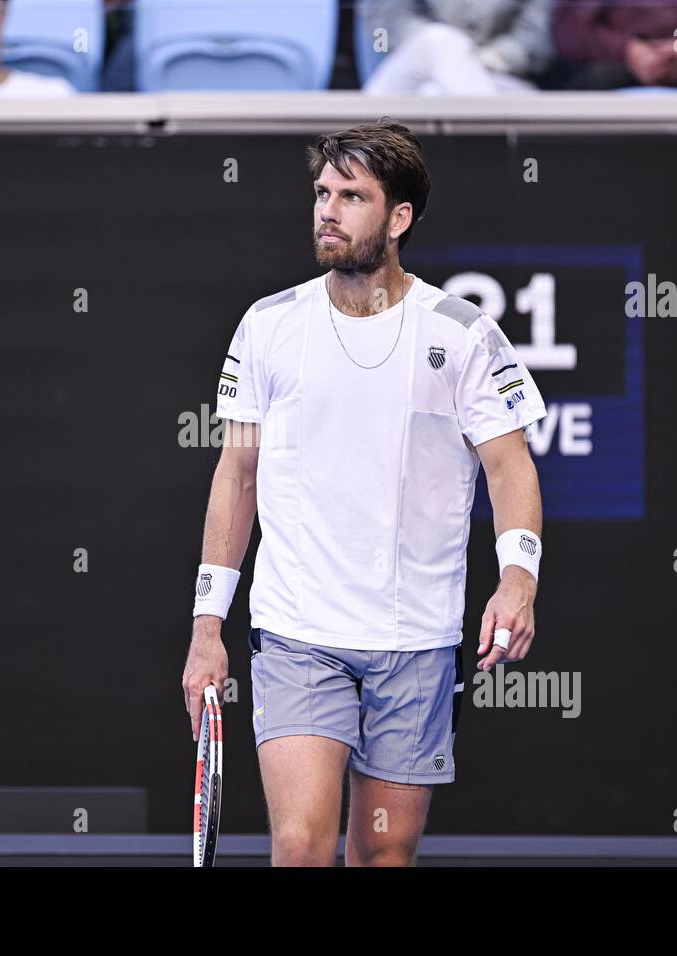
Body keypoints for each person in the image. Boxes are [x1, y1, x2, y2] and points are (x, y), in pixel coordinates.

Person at [181, 120, 547, 866]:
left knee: (382, 855)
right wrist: (206, 623)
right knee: (300, 845)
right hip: (296, 633)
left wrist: (519, 579)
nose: (328, 210)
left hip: (416, 638)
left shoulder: (463, 332)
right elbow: (237, 474)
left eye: (352, 196)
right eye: (322, 192)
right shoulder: (268, 325)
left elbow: (510, 466)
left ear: (399, 217)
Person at [360, 0, 554, 95]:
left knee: (435, 94)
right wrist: (453, 52)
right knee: (440, 40)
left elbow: (534, 38)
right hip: (411, 74)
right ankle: (490, 155)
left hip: (495, 75)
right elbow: (389, 19)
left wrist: (488, 57)